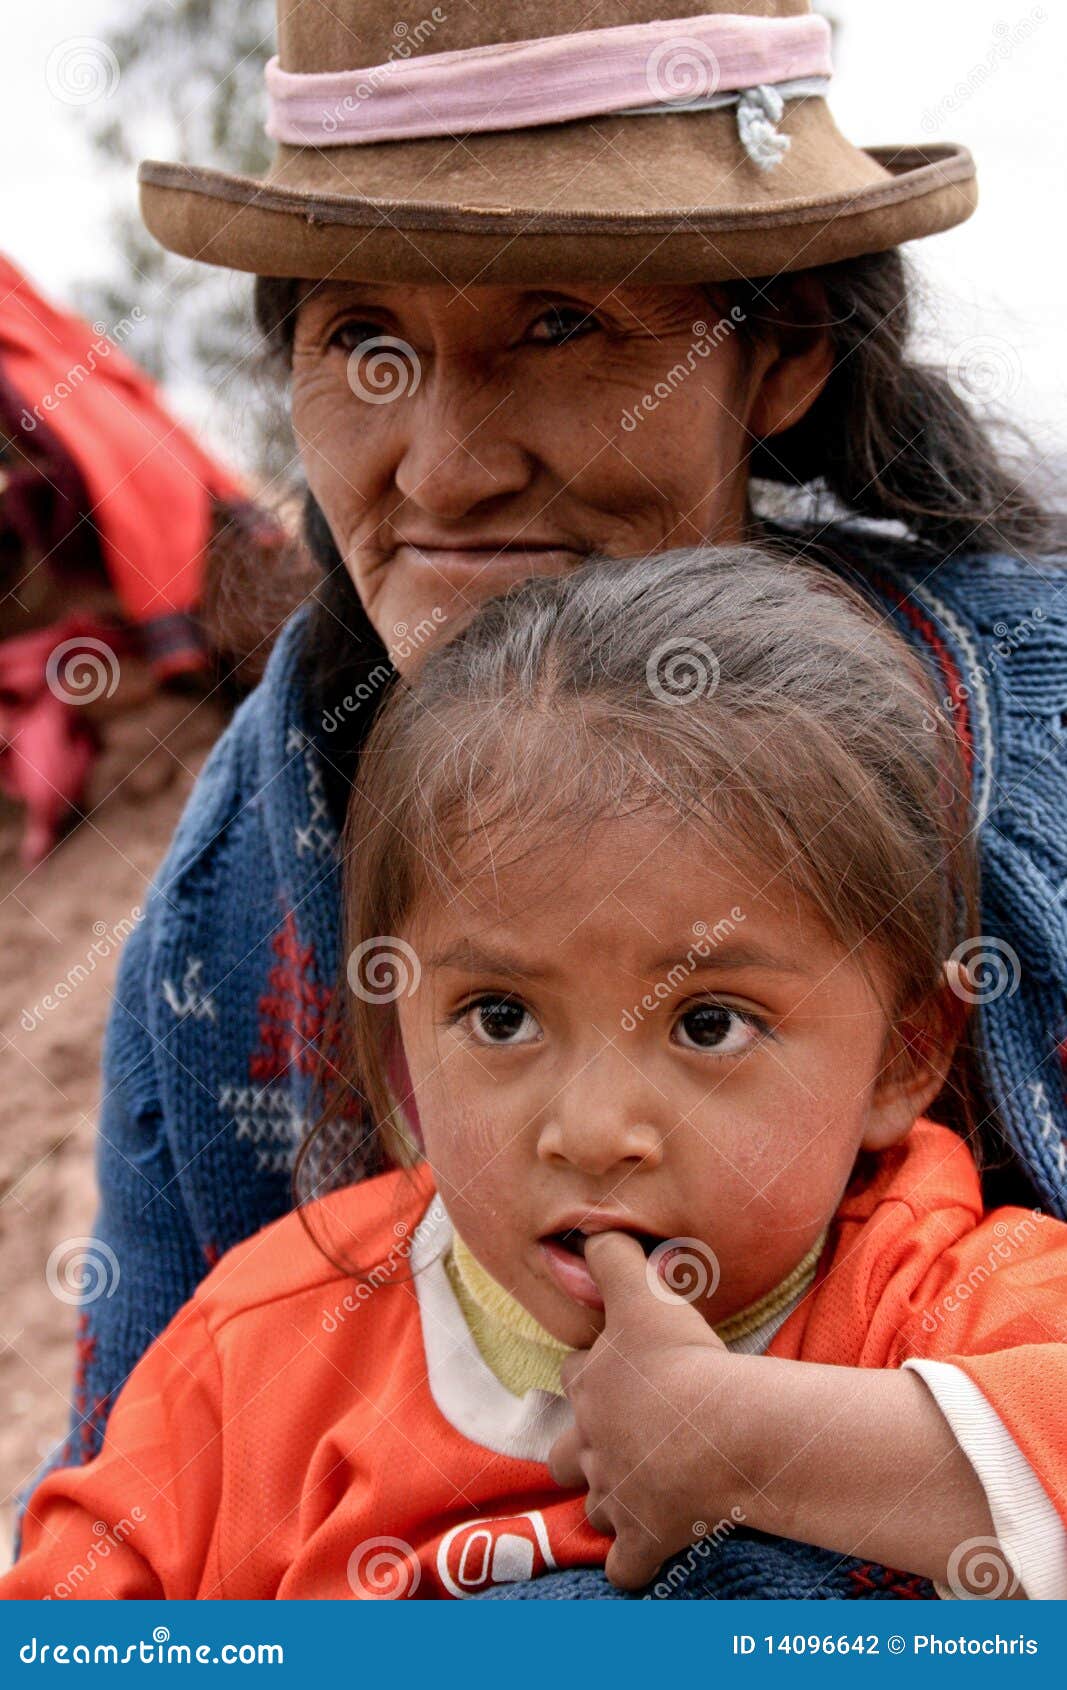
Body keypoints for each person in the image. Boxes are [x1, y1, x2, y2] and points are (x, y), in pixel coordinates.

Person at [19, 0, 1067, 1601]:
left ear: (776, 349)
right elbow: (138, 1504)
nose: (438, 470)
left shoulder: (1025, 755)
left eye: (560, 325)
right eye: (363, 341)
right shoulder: (245, 883)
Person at [8, 548, 1067, 1601]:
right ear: (399, 1055)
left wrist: (753, 1446)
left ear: (902, 1053)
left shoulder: (924, 1294)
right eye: (500, 1016)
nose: (594, 1130)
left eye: (708, 1024)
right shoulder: (266, 1349)